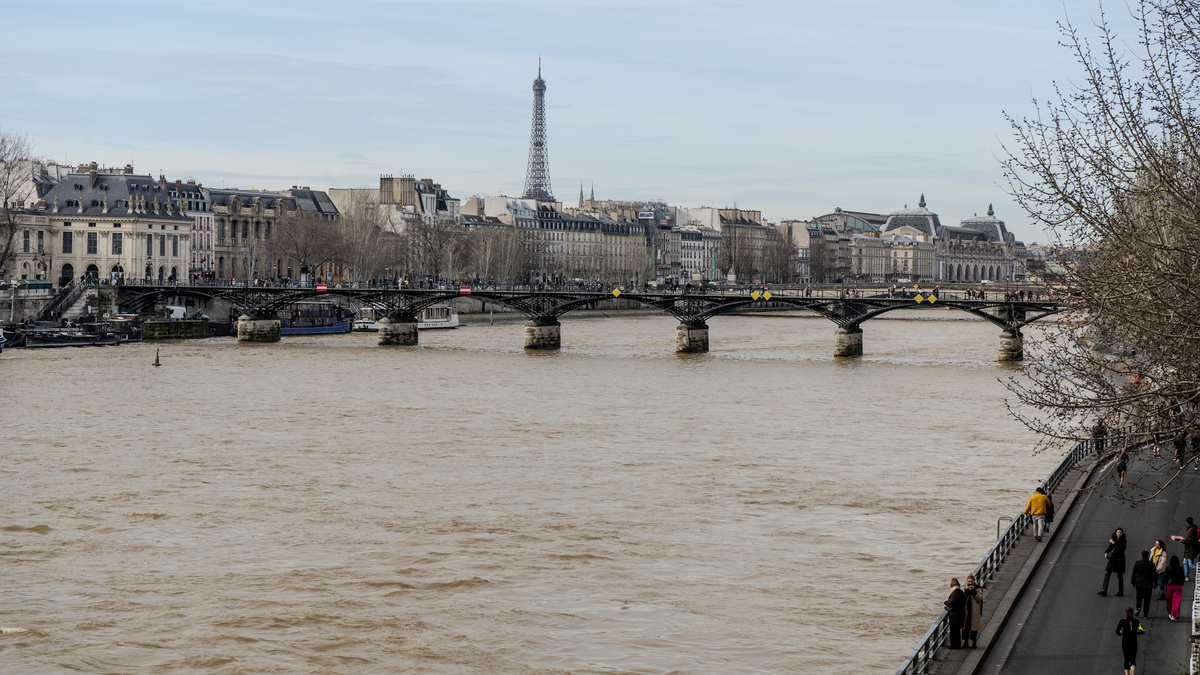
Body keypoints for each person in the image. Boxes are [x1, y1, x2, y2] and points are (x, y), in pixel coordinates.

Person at [1115, 607, 1143, 675]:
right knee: (1133, 658)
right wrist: (1135, 633)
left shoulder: (1122, 621)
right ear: (1133, 613)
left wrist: (1122, 633)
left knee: (1126, 658)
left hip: (1125, 641)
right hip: (1133, 641)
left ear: (1126, 613)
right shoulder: (1136, 621)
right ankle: (1132, 670)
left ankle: (1127, 674)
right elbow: (1142, 630)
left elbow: (1117, 631)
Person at [1100, 528, 1127, 596]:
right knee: (1107, 574)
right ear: (1116, 533)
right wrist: (1106, 552)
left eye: (1120, 532)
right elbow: (1110, 547)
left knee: (1119, 575)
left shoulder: (1123, 541)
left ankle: (1120, 591)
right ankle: (1104, 590)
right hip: (1112, 559)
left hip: (1119, 559)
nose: (1119, 533)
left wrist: (1114, 543)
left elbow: (1121, 549)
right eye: (1118, 532)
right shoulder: (1113, 539)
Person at [1130, 550, 1156, 617]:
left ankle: (1138, 610)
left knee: (1139, 598)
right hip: (1148, 584)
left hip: (1139, 583)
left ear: (1141, 556)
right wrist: (1155, 584)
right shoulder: (1152, 564)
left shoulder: (1137, 563)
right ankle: (1145, 613)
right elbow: (1154, 575)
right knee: (1147, 600)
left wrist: (1132, 582)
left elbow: (1133, 573)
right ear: (1148, 556)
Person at [962, 575, 984, 649]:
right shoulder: (964, 588)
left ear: (974, 581)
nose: (970, 583)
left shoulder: (978, 588)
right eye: (969, 581)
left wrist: (974, 592)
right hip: (966, 611)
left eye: (971, 581)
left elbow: (980, 598)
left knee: (974, 628)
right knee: (965, 628)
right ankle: (965, 642)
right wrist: (967, 591)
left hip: (974, 611)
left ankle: (974, 643)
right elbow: (962, 598)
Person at [944, 578, 966, 649]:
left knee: (954, 631)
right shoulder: (959, 591)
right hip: (960, 614)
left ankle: (954, 645)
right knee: (956, 631)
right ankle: (956, 645)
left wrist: (945, 602)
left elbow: (951, 603)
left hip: (955, 615)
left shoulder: (954, 592)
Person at [1164, 555, 1186, 621]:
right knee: (1176, 601)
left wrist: (1162, 586)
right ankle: (1175, 614)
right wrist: (1181, 583)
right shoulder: (1180, 568)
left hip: (1169, 586)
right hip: (1178, 586)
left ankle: (1170, 612)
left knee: (1169, 600)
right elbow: (1182, 577)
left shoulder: (1168, 568)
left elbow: (1165, 577)